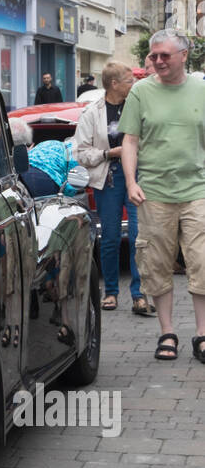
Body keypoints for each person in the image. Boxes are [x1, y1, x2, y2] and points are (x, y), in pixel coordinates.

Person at [119, 30, 205, 362]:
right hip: (153, 193)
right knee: (156, 265)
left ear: (184, 55)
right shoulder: (140, 92)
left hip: (198, 190)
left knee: (202, 262)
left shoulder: (201, 88)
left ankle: (201, 333)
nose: (157, 61)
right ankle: (167, 332)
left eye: (164, 56)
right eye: (154, 56)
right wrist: (130, 181)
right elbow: (130, 141)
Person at [74, 61, 151, 316]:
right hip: (108, 178)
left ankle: (139, 294)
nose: (134, 84)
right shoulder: (92, 112)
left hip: (138, 176)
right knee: (109, 238)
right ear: (114, 84)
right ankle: (110, 292)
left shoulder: (137, 106)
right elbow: (81, 153)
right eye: (129, 80)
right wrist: (109, 153)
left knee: (140, 237)